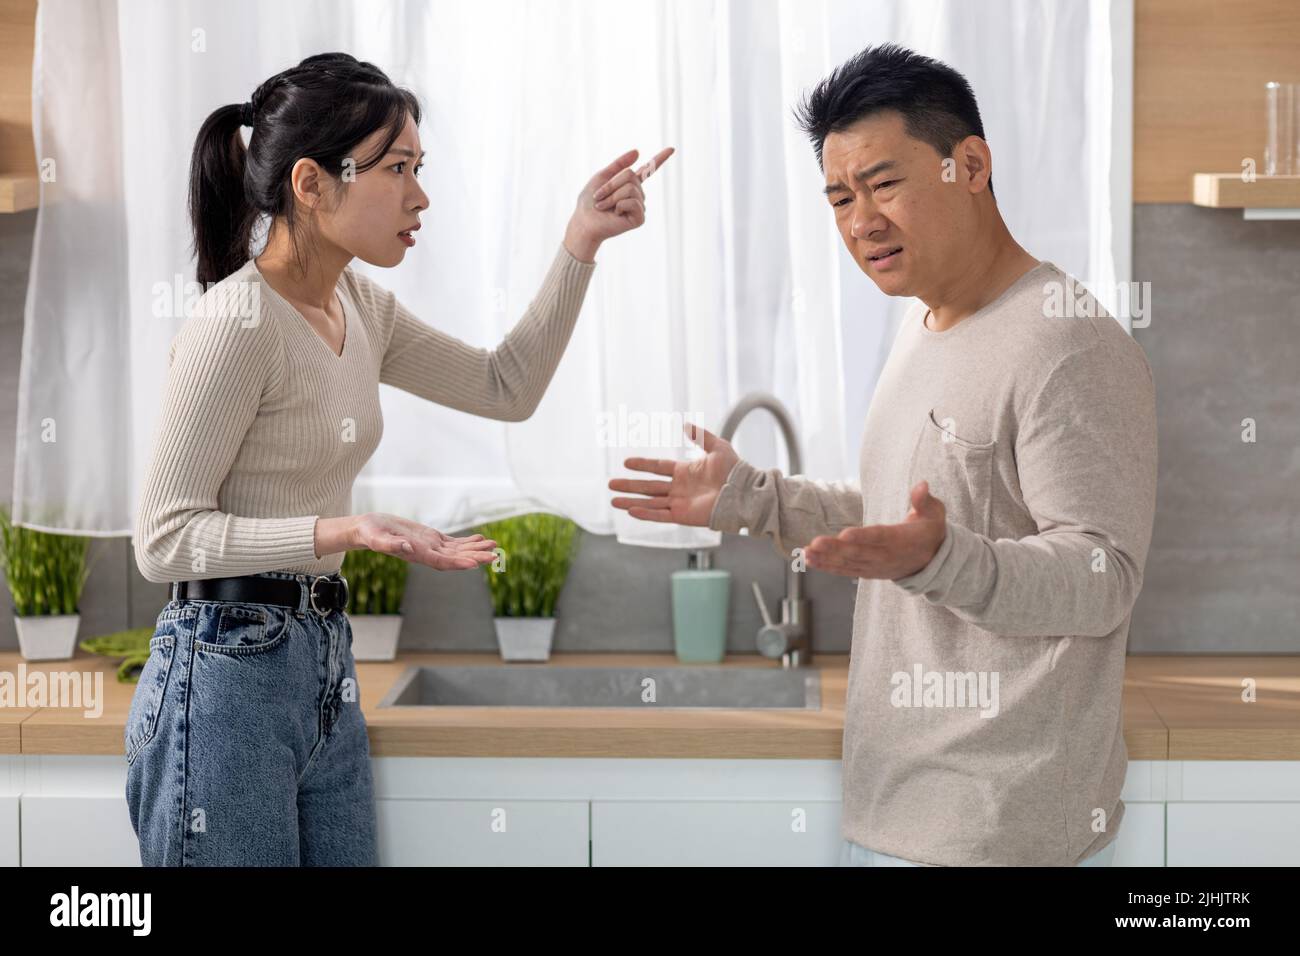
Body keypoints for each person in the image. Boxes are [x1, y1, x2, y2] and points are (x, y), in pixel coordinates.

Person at [610, 42, 1155, 867]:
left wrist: (944, 560)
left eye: (884, 183)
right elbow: (907, 521)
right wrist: (753, 498)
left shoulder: (1067, 343)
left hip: (996, 831)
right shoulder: (925, 319)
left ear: (969, 166)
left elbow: (1100, 576)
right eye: (838, 197)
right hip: (894, 811)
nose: (861, 221)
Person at [126, 51, 672, 866]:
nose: (420, 196)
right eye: (396, 169)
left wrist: (581, 240)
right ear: (312, 184)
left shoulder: (360, 306)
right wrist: (341, 529)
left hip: (320, 661)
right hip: (223, 675)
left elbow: (505, 384)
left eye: (420, 167)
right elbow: (162, 540)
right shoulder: (235, 327)